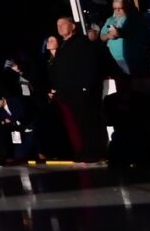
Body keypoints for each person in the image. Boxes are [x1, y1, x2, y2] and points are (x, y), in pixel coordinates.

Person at [46, 15, 121, 160]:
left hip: (83, 91)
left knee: (90, 121)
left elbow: (89, 66)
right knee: (80, 123)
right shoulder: (64, 46)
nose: (60, 27)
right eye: (58, 25)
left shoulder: (81, 43)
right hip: (69, 92)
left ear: (73, 26)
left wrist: (85, 87)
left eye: (63, 24)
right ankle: (86, 150)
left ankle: (95, 151)